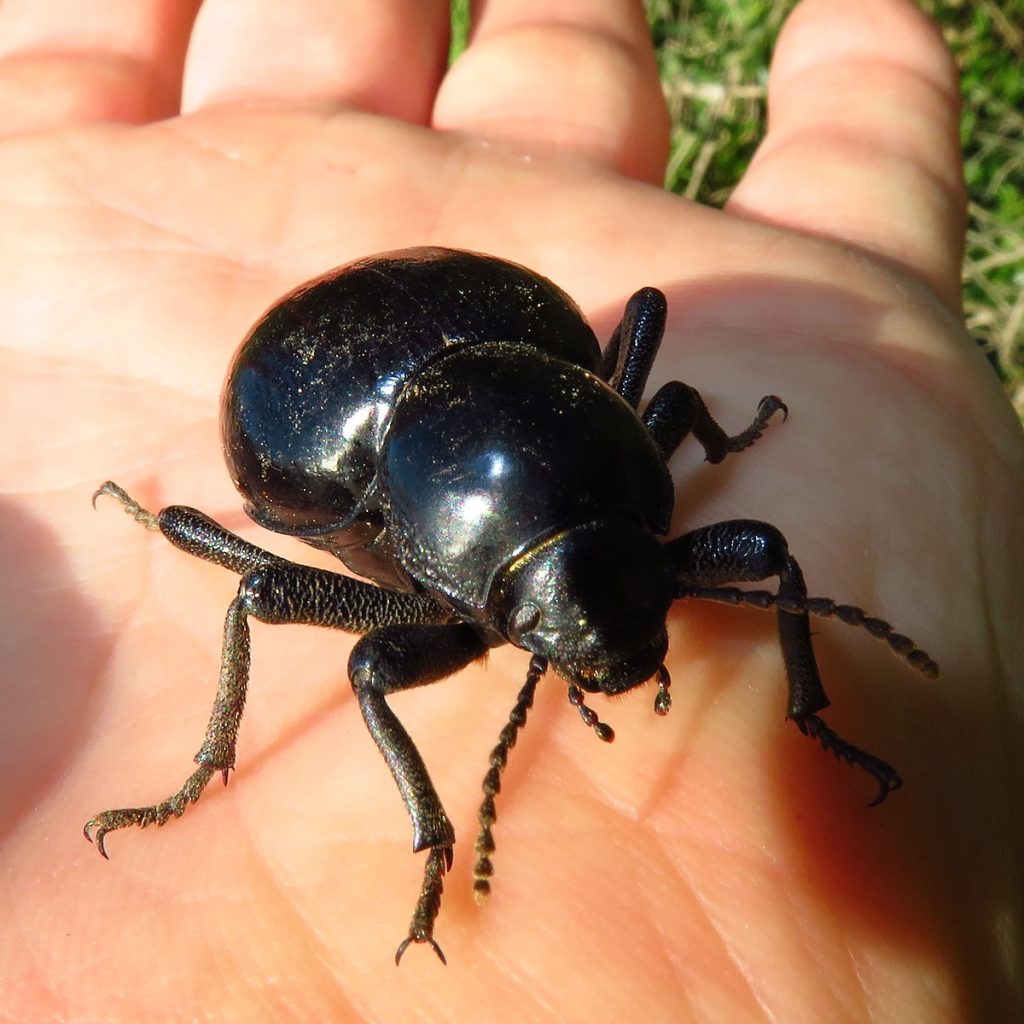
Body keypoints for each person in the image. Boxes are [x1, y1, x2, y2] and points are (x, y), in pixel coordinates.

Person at [2, 0, 1020, 1019]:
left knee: (758, 538)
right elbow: (351, 642)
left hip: (480, 330)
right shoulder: (394, 543)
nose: (617, 642)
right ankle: (314, 796)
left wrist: (704, 464)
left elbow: (682, 419)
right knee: (274, 599)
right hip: (323, 393)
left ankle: (810, 712)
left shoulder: (622, 474)